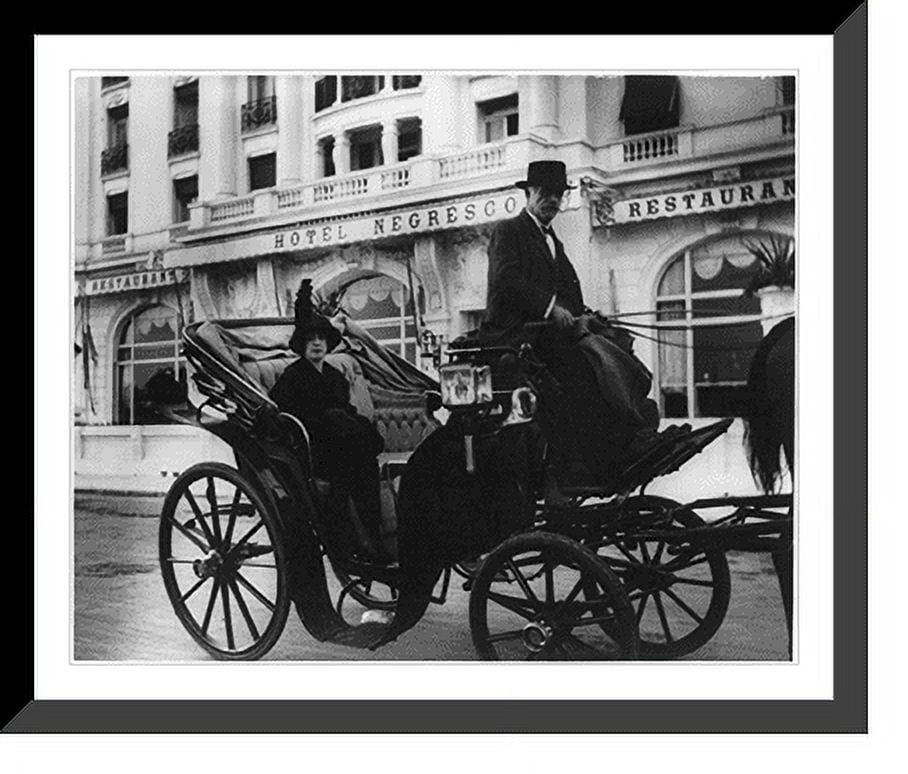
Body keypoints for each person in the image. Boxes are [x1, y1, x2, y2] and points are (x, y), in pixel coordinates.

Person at [482, 160, 660, 490]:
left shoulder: (553, 240)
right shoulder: (509, 231)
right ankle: (587, 462)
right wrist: (551, 309)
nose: (552, 200)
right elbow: (506, 280)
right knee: (583, 368)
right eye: (545, 193)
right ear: (529, 193)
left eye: (558, 195)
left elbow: (569, 294)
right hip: (515, 334)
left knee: (614, 345)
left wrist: (586, 314)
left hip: (545, 333)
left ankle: (628, 436)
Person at [269, 279, 392, 563]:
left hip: (342, 447)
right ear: (301, 345)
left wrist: (355, 428)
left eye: (321, 339)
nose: (316, 344)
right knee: (349, 468)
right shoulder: (292, 376)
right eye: (310, 340)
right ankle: (350, 543)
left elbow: (347, 410)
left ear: (328, 343)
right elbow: (285, 418)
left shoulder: (335, 376)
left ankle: (373, 537)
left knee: (367, 466)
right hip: (313, 452)